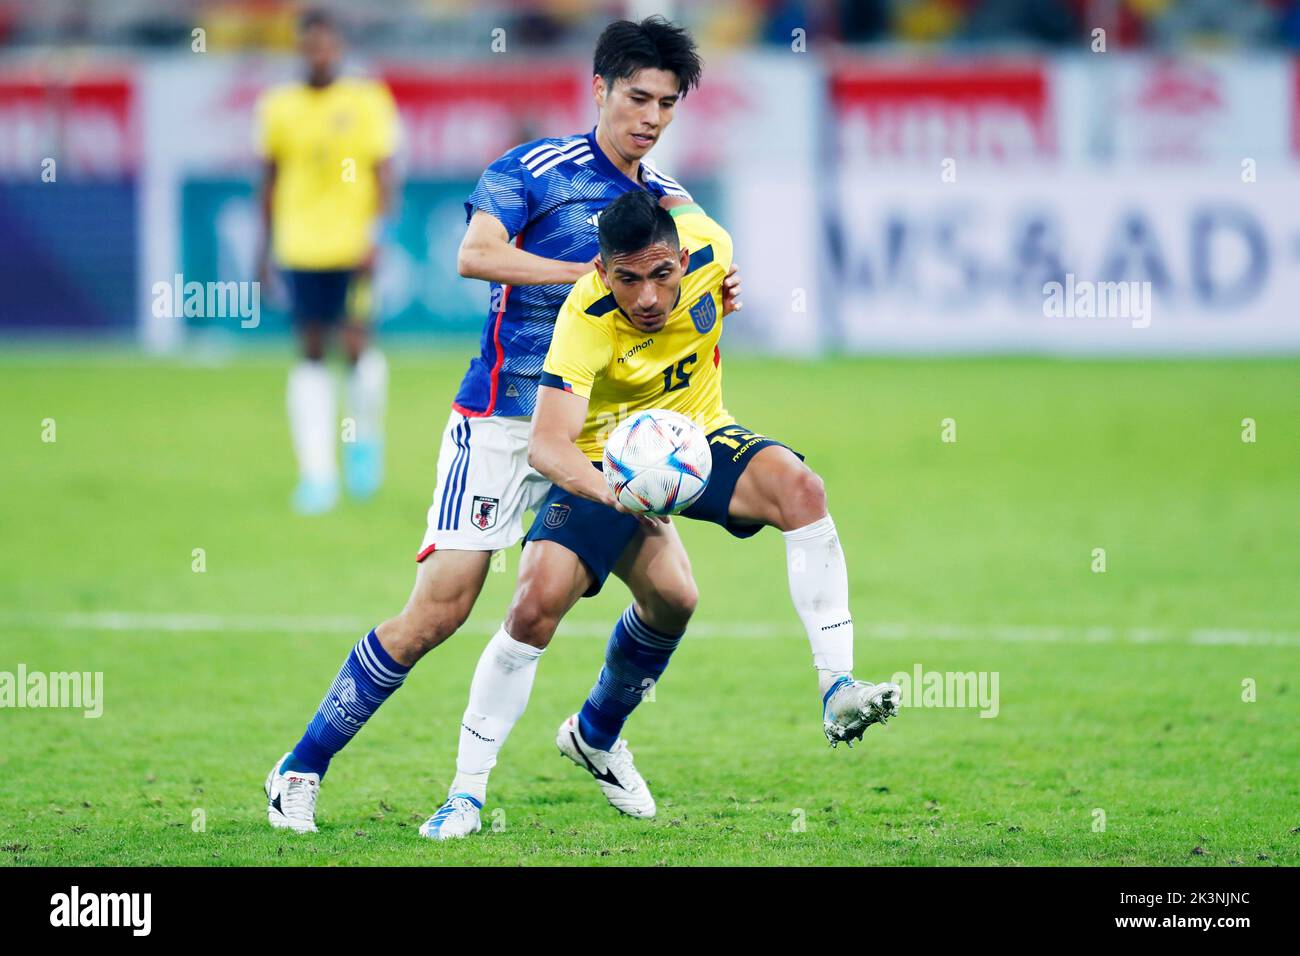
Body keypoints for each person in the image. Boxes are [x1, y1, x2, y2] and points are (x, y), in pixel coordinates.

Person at [264, 17, 739, 833]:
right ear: (599, 89)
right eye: (637, 97)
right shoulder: (533, 169)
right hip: (498, 423)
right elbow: (475, 254)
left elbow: (692, 281)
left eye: (667, 103)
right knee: (438, 613)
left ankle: (596, 734)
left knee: (672, 595)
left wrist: (714, 291)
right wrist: (588, 278)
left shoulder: (667, 200)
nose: (652, 116)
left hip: (594, 434)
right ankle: (300, 767)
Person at [420, 189, 900, 839]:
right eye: (627, 279)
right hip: (607, 461)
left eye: (661, 275)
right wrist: (614, 491)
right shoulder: (584, 318)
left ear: (683, 257)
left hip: (696, 437)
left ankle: (835, 685)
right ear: (601, 270)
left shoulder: (712, 246)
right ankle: (466, 794)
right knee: (544, 604)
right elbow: (546, 444)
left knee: (801, 491)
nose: (647, 297)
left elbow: (669, 184)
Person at [255, 8, 398, 515]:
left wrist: (376, 235)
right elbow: (269, 178)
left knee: (356, 345)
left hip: (352, 246)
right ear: (299, 48)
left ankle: (364, 442)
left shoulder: (365, 99)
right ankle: (317, 474)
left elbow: (384, 174)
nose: (318, 54)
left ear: (337, 47)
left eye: (325, 45)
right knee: (311, 350)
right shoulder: (279, 105)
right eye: (309, 45)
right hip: (300, 246)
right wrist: (262, 249)